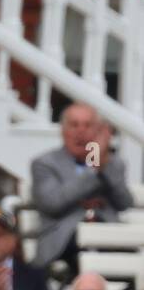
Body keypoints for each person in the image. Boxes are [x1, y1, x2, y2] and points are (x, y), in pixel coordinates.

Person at [31, 104, 135, 279]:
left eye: (88, 125)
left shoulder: (115, 164)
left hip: (108, 240)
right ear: (63, 131)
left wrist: (104, 165)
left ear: (99, 132)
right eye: (74, 125)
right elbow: (52, 203)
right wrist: (94, 168)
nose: (81, 131)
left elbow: (125, 203)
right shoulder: (44, 163)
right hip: (63, 244)